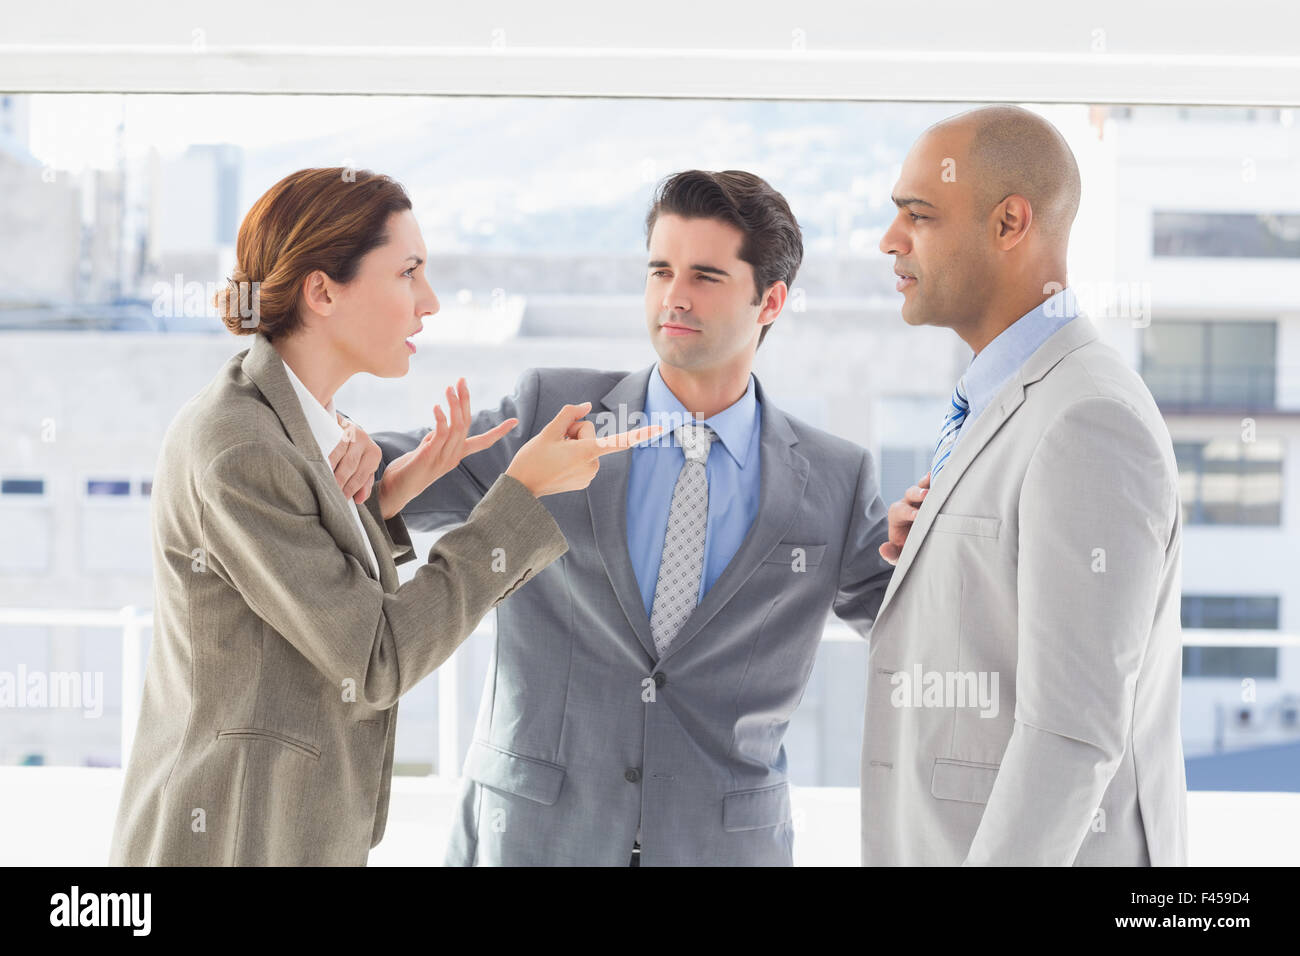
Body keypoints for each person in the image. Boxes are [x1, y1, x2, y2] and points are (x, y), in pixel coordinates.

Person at [339, 169, 897, 866]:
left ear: (771, 299)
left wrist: (936, 543)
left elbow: (912, 623)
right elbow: (392, 481)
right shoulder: (553, 412)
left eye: (706, 276)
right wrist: (344, 450)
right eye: (660, 269)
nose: (674, 297)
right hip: (537, 839)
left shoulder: (834, 479)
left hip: (720, 847)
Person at [109, 167, 657, 866]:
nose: (428, 302)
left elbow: (296, 580)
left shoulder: (293, 422)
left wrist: (380, 503)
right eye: (408, 273)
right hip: (232, 839)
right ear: (322, 290)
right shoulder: (240, 446)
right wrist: (518, 500)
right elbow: (375, 660)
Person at [866, 106, 1187, 865]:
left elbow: (1069, 735)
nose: (890, 241)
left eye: (919, 216)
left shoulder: (1089, 418)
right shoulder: (1003, 400)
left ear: (1010, 224)